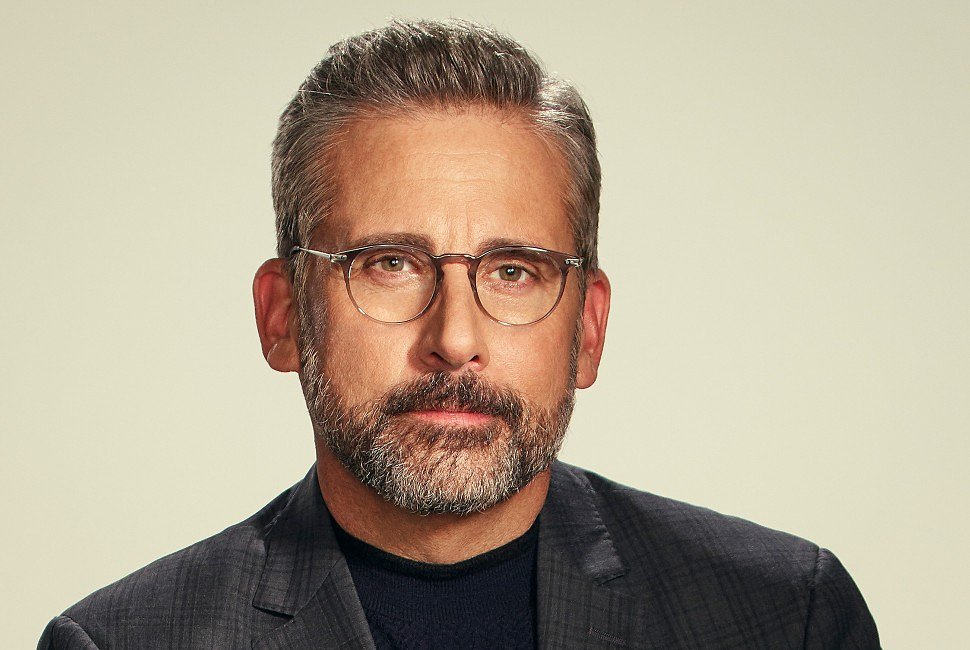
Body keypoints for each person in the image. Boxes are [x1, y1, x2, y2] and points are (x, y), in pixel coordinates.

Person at [39, 19, 880, 649]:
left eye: (513, 271)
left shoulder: (788, 617)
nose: (454, 338)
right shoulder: (123, 643)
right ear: (283, 316)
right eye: (389, 264)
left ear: (588, 330)